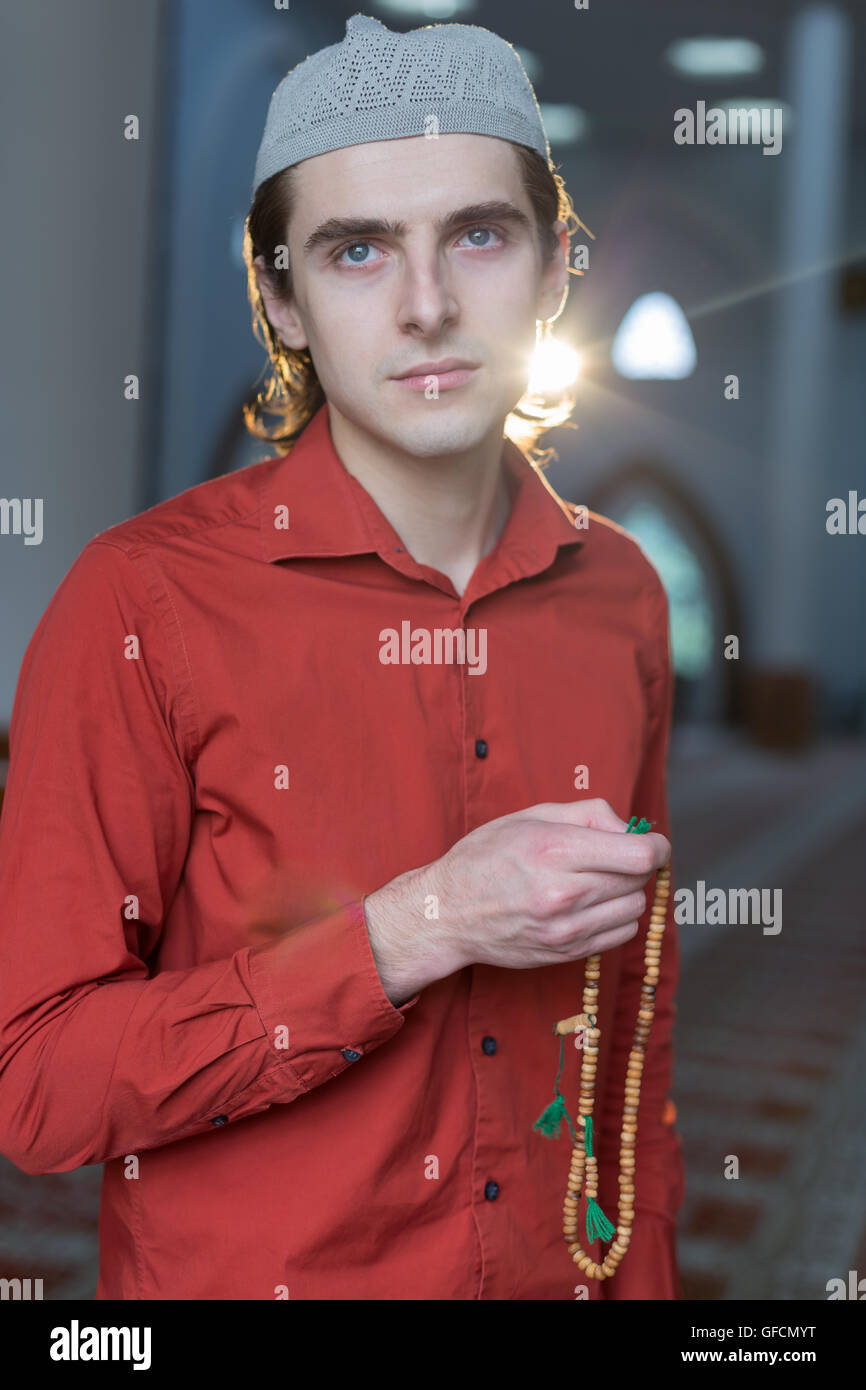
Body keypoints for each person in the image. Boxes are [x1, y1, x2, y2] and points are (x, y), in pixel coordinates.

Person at [0, 12, 684, 1299]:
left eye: (477, 234)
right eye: (358, 249)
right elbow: (35, 1083)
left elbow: (631, 1027)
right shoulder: (141, 600)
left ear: (551, 270)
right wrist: (419, 926)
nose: (427, 307)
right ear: (281, 299)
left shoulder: (620, 592)